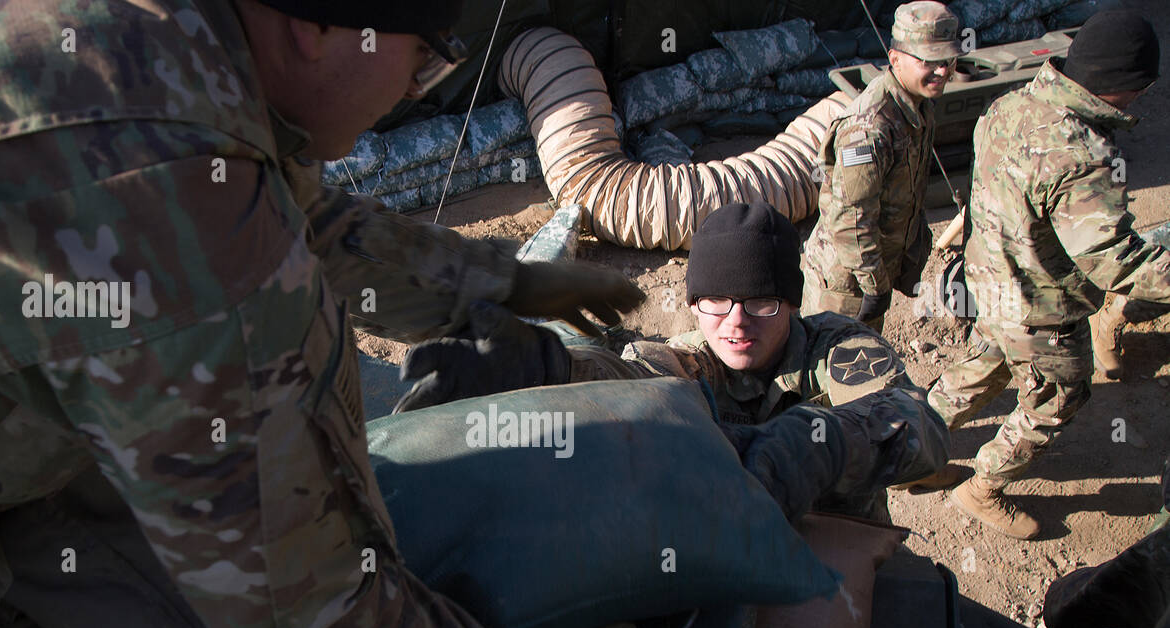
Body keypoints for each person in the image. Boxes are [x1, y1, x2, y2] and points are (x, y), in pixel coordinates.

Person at [0, 0, 643, 628]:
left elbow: (296, 219)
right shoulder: (169, 210)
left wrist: (499, 290)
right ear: (318, 29)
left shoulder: (161, 41)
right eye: (424, 65)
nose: (412, 93)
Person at [399, 201, 951, 523]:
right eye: (716, 302)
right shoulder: (691, 356)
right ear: (693, 303)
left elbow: (923, 429)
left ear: (791, 303)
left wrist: (826, 445)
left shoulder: (838, 350)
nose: (736, 322)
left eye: (761, 302)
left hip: (837, 542)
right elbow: (628, 381)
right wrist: (551, 369)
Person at [923, 10, 1170, 540]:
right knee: (1058, 398)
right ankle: (983, 488)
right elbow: (1116, 261)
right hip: (1040, 308)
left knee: (977, 371)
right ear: (1124, 86)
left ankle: (907, 456)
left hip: (987, 286)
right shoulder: (1084, 156)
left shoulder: (1007, 106)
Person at [800, 1, 960, 333]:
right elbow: (851, 218)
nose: (943, 71)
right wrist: (874, 286)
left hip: (871, 269)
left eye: (948, 61)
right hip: (846, 281)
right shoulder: (869, 129)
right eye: (929, 61)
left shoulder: (918, 108)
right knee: (834, 372)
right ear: (895, 59)